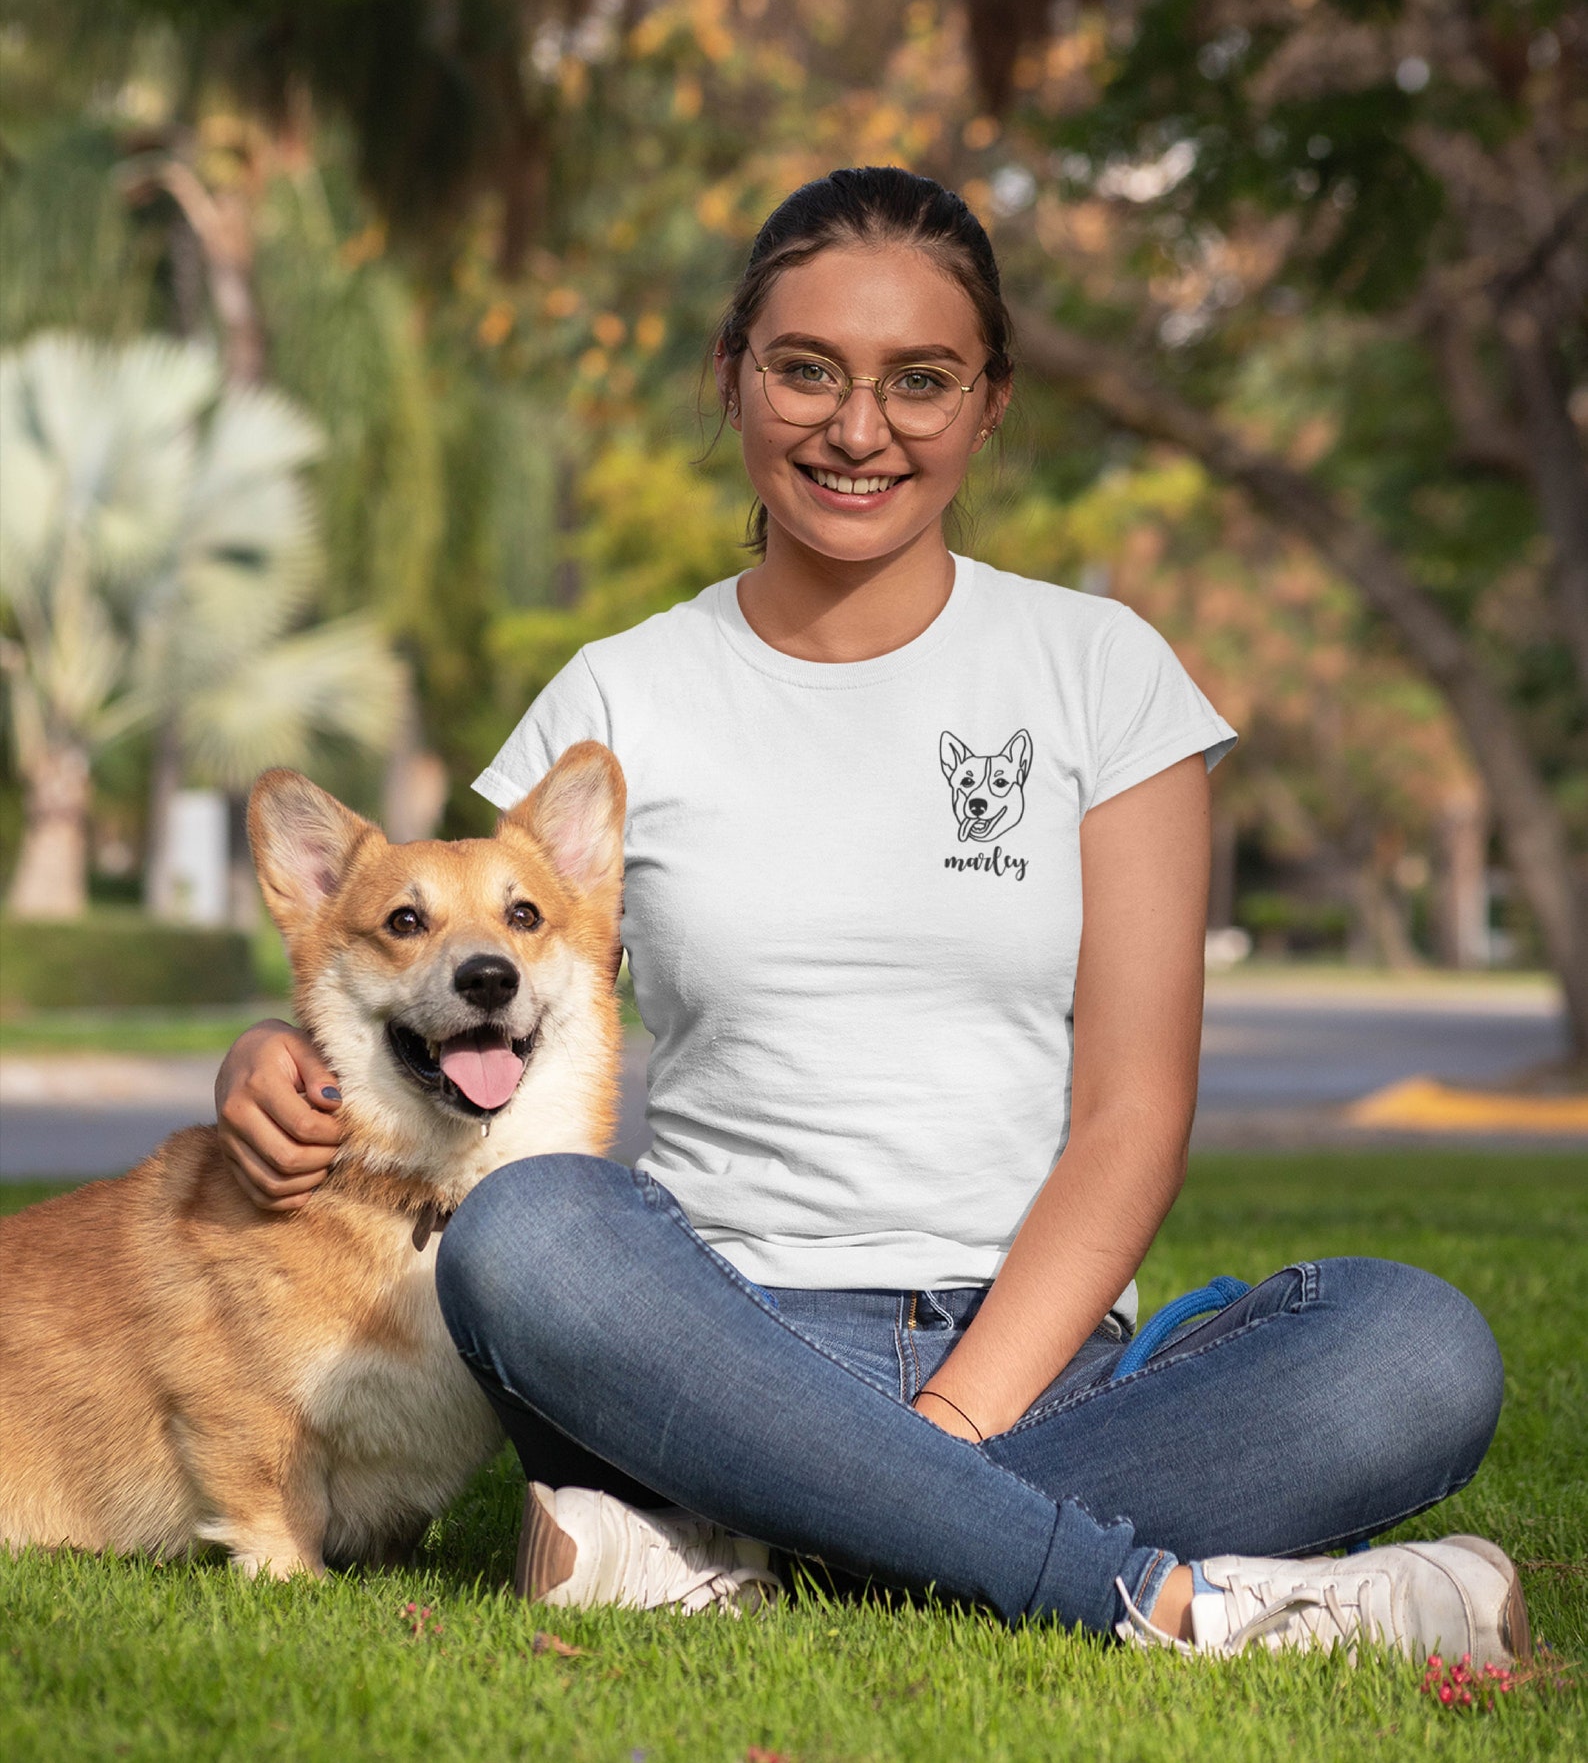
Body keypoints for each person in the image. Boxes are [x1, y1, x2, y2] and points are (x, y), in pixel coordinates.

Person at [215, 166, 1526, 1661]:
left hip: (1044, 1356)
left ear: (989, 401)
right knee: (522, 1236)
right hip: (700, 1345)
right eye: (806, 370)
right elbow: (454, 967)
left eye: (920, 380)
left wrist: (949, 1426)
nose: (858, 428)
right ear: (733, 378)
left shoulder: (1104, 671)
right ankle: (1180, 1600)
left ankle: (756, 1546)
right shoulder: (621, 691)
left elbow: (1132, 1119)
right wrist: (264, 1056)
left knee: (1419, 1350)